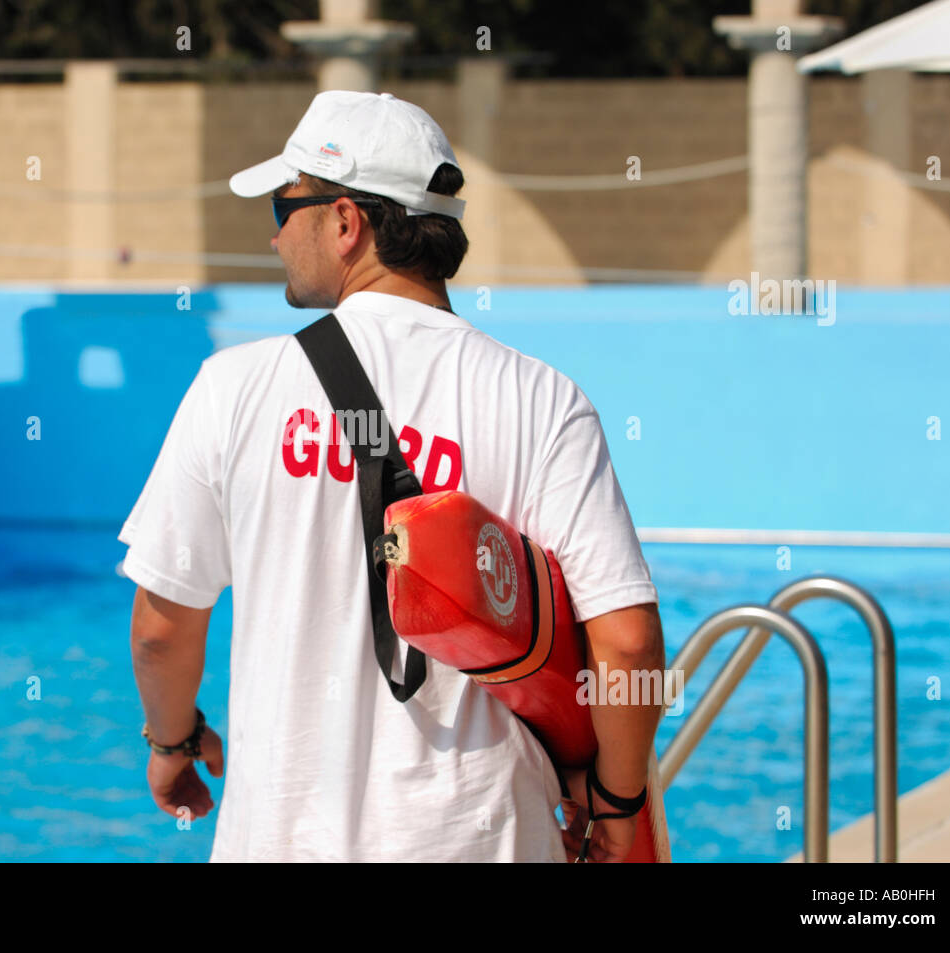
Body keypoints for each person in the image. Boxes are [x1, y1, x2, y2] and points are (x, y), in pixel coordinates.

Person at [120, 90, 665, 862]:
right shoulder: (543, 398)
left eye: (285, 206)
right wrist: (616, 802)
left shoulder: (233, 387)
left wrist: (172, 740)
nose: (275, 236)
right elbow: (630, 642)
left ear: (346, 223)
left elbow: (162, 627)